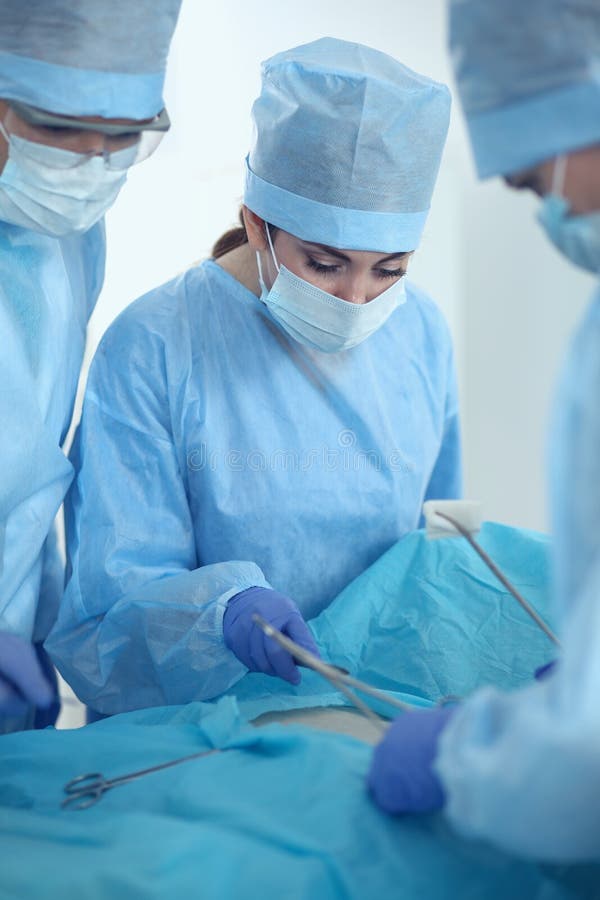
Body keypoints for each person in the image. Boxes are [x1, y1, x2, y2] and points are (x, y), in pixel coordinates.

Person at [46, 37, 462, 717]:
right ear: (256, 226)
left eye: (390, 269)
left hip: (374, 714)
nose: (357, 299)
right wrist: (218, 615)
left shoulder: (419, 333)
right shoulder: (155, 346)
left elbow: (438, 554)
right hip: (191, 737)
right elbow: (108, 616)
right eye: (324, 263)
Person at [368, 0, 600, 863]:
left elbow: (585, 769)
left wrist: (476, 762)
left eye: (537, 178)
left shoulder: (424, 331)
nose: (536, 206)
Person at [0, 0, 182, 734]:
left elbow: (25, 476)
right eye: (51, 128)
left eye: (119, 137)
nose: (84, 165)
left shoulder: (65, 236)